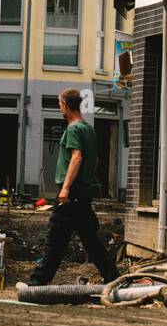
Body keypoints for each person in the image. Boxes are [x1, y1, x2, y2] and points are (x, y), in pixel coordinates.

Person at [22, 89, 119, 287]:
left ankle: (36, 283)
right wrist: (86, 180)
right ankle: (113, 278)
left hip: (71, 194)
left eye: (60, 104)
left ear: (66, 105)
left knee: (55, 239)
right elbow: (95, 159)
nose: (60, 108)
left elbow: (77, 157)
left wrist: (65, 188)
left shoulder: (74, 129)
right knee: (91, 240)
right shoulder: (89, 129)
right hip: (83, 193)